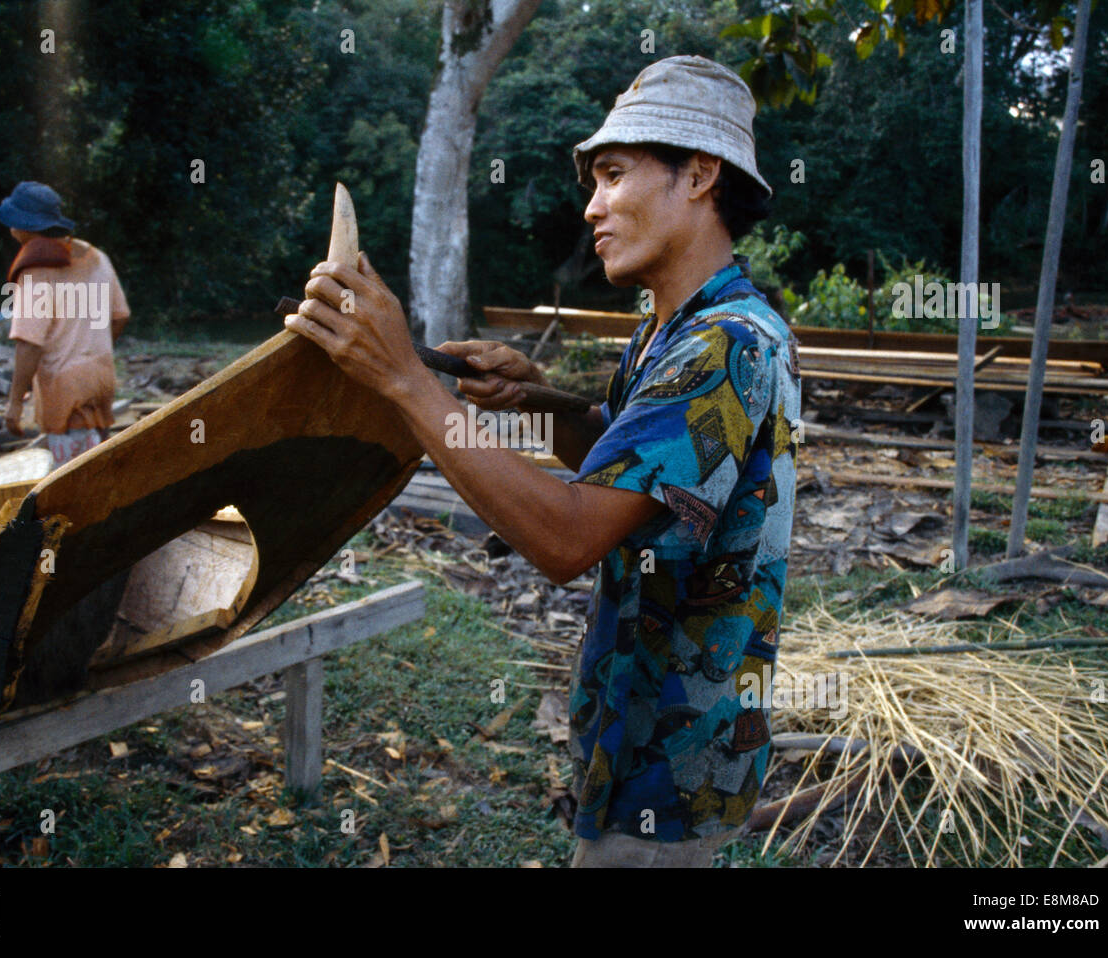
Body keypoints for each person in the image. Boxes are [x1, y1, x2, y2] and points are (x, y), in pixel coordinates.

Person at [287, 55, 801, 867]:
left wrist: (406, 381)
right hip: (635, 722)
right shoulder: (674, 329)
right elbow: (629, 449)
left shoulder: (725, 346)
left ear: (699, 176)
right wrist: (532, 398)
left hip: (671, 760)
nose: (592, 206)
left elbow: (568, 538)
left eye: (612, 174)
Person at [0, 181, 130, 466]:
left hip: (65, 387)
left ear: (25, 226)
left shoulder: (36, 271)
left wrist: (15, 404)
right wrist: (91, 350)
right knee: (99, 462)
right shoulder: (95, 256)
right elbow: (120, 316)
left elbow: (29, 344)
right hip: (100, 377)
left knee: (73, 475)